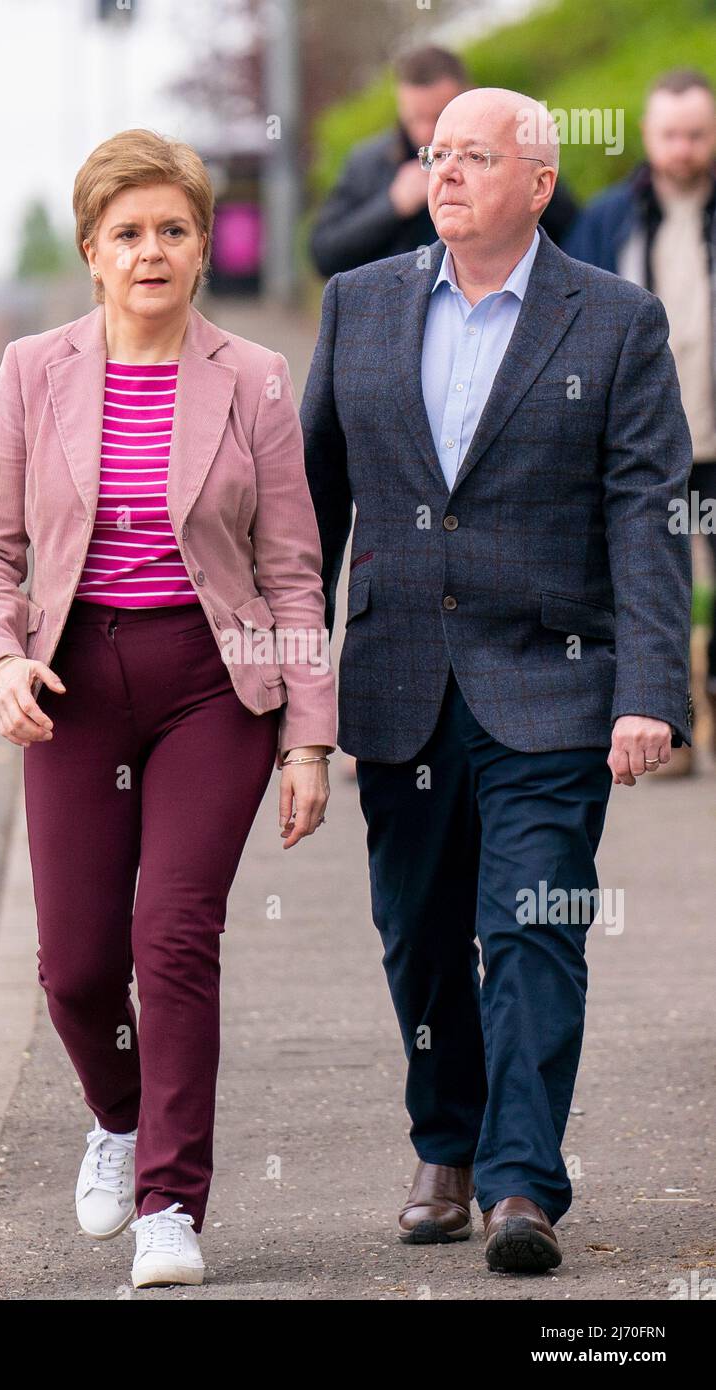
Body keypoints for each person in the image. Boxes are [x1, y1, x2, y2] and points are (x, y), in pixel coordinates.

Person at [301, 88, 692, 1273]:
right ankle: (447, 1145)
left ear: (538, 181)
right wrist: (289, 692)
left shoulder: (616, 321)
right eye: (437, 153)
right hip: (400, 676)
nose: (448, 171)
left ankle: (523, 1181)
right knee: (420, 936)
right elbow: (311, 509)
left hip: (554, 683)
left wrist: (650, 685)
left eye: (477, 155)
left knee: (530, 928)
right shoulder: (358, 304)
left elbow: (646, 514)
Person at [0, 128, 337, 1290]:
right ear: (92, 251)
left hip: (210, 687)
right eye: (130, 233)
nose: (153, 250)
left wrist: (309, 736)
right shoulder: (32, 371)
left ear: (201, 246)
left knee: (171, 935)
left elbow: (292, 571)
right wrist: (0, 663)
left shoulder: (255, 378)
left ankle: (172, 1201)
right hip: (71, 686)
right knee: (73, 965)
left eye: (174, 229)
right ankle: (116, 1121)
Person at [566, 68, 716, 774]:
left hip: (714, 434)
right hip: (640, 446)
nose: (683, 149)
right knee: (651, 583)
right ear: (648, 136)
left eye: (696, 134)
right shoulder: (606, 219)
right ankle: (670, 729)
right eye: (670, 135)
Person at [309, 44, 579, 278]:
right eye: (415, 117)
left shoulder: (511, 156)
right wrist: (392, 206)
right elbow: (324, 254)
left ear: (470, 94)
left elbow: (571, 233)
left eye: (438, 114)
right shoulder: (369, 162)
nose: (427, 132)